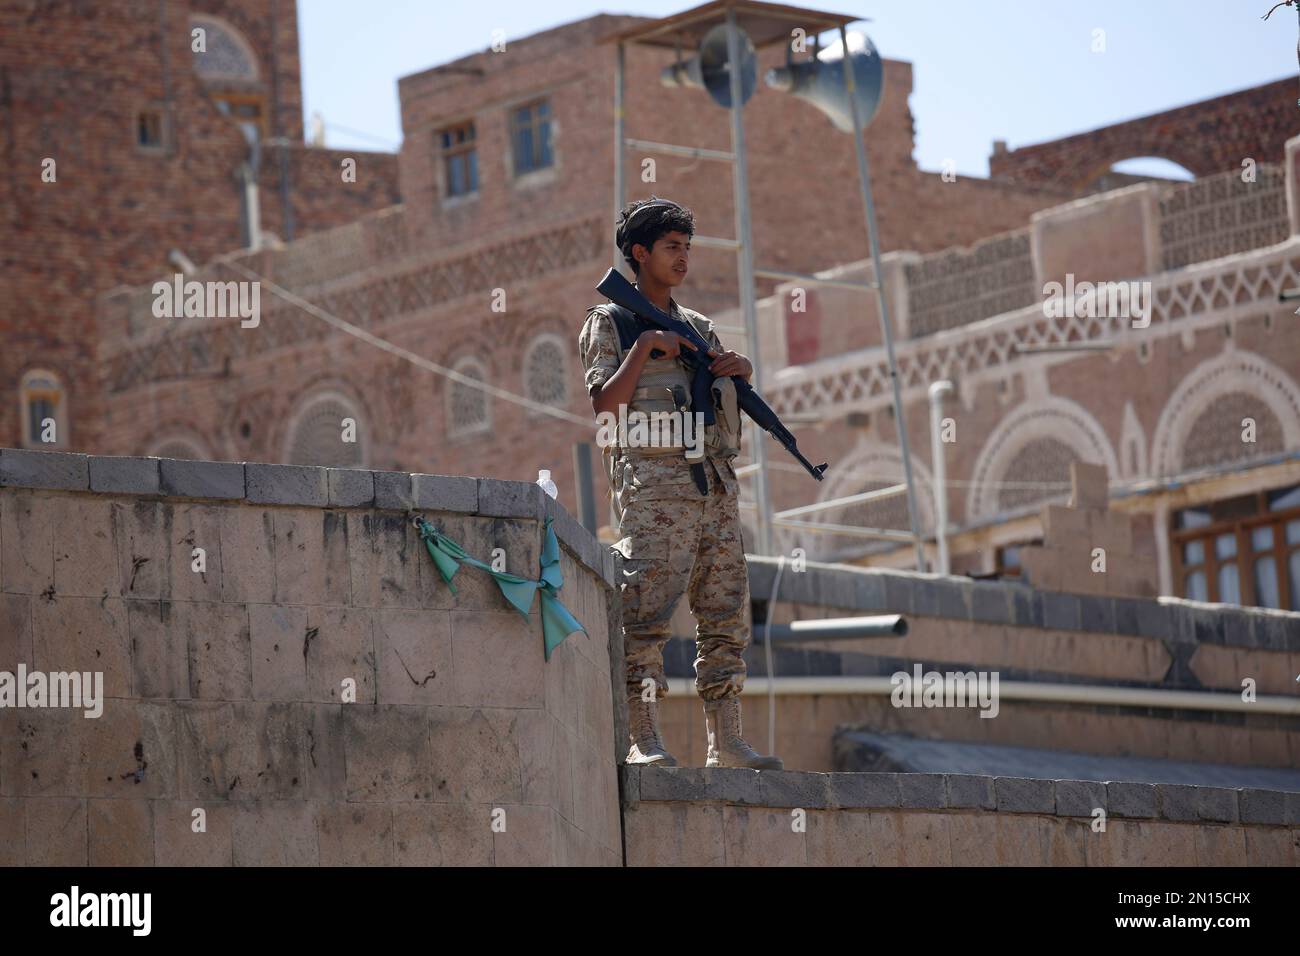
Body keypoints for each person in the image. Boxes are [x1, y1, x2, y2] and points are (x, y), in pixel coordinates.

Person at [577, 195, 783, 770]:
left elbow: (718, 407)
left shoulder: (698, 328)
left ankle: (728, 742)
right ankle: (644, 738)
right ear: (639, 254)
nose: (683, 256)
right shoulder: (612, 323)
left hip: (713, 487)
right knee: (645, 617)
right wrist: (644, 348)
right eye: (672, 247)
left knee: (725, 617)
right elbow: (604, 404)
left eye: (687, 247)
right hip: (655, 491)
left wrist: (736, 373)